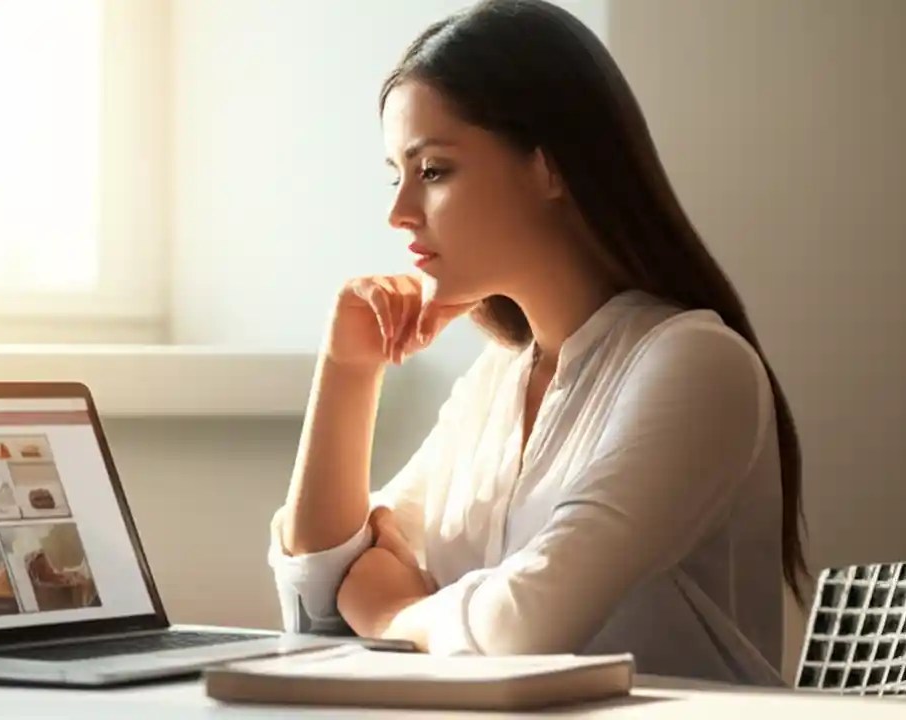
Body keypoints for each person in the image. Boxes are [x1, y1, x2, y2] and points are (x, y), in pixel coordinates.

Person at [267, 0, 805, 686]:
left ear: (551, 168)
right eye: (394, 175)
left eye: (433, 170)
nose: (398, 212)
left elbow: (519, 632)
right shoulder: (495, 384)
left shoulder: (697, 365)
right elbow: (318, 606)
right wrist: (348, 368)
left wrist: (391, 613)